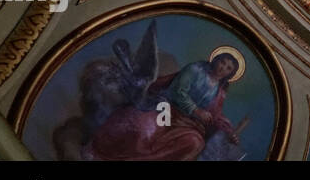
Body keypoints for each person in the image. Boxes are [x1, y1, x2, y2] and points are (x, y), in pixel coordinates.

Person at [86, 52, 241, 161]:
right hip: (166, 106)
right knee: (145, 131)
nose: (223, 68)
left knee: (195, 143)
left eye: (228, 68)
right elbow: (178, 91)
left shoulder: (219, 92)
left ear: (229, 75)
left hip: (187, 124)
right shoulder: (195, 69)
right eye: (223, 62)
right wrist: (195, 110)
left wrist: (229, 131)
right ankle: (105, 155)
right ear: (216, 60)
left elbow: (216, 115)